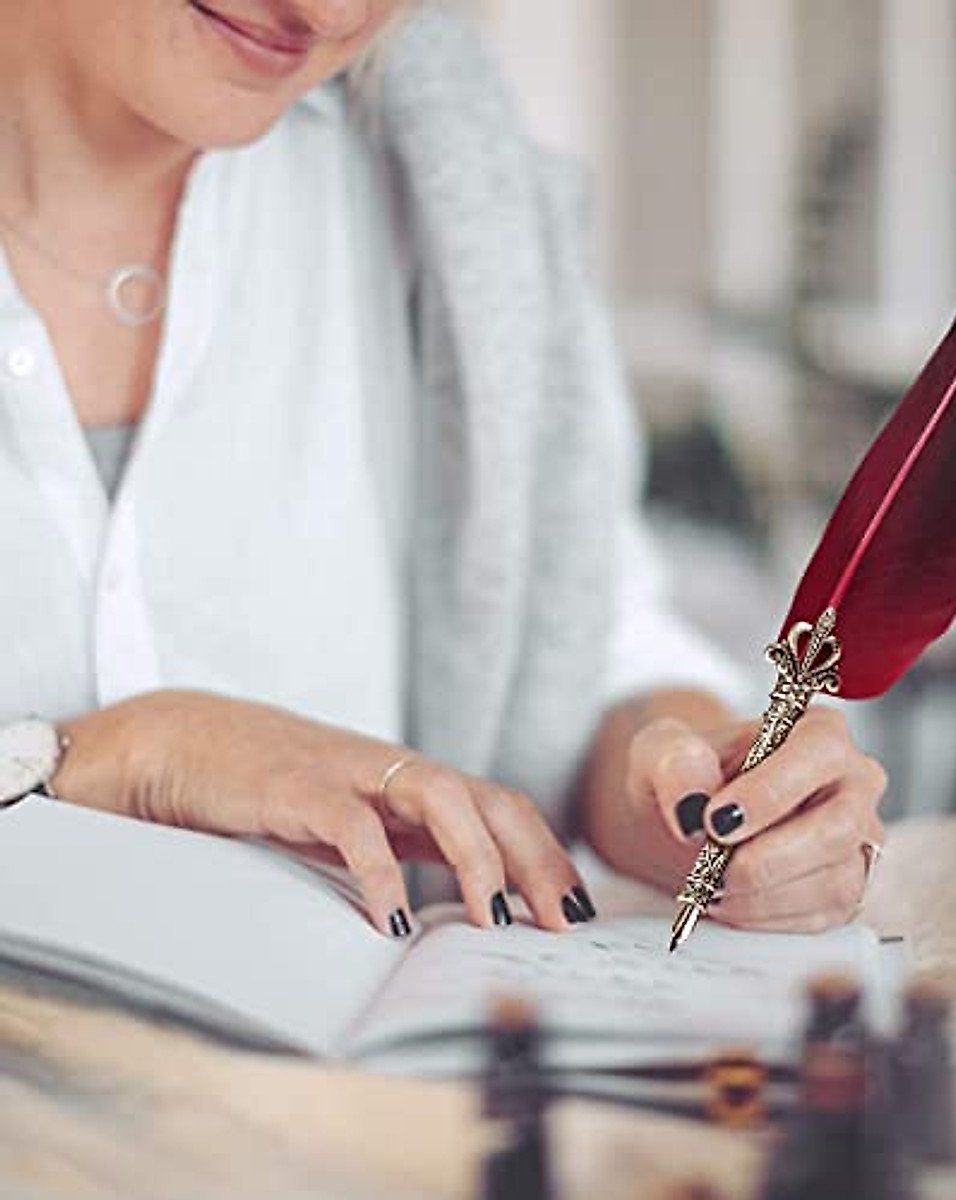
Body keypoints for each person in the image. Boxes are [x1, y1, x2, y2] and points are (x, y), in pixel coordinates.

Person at [0, 0, 886, 941]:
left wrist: (694, 790)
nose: (330, 13)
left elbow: (577, 649)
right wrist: (90, 759)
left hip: (361, 1088)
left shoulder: (456, 196)